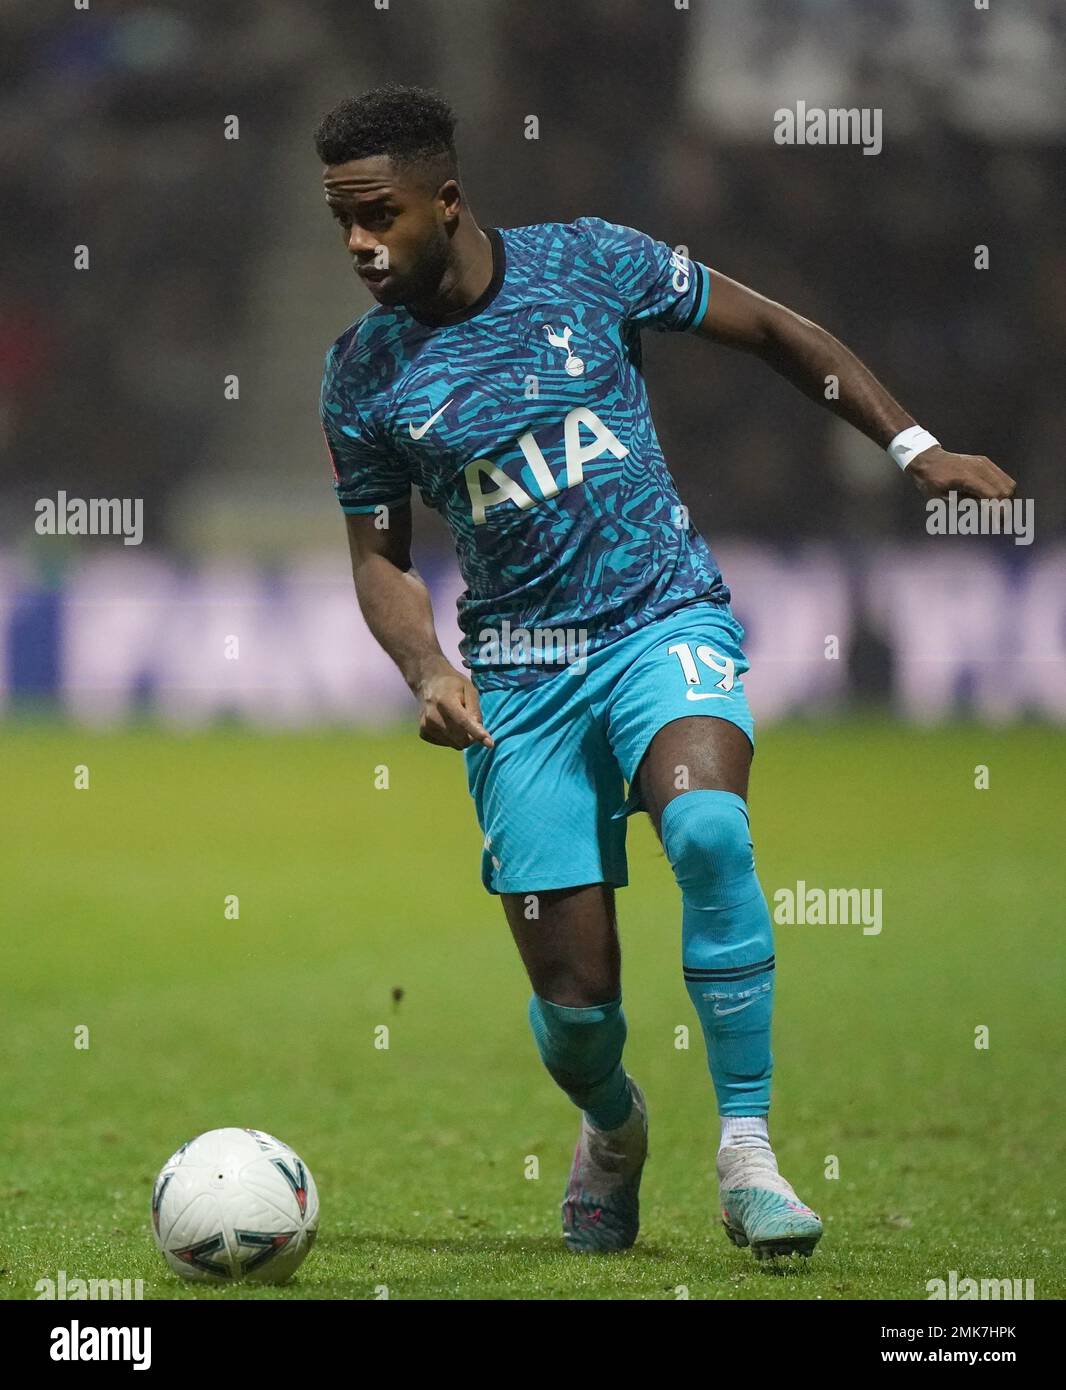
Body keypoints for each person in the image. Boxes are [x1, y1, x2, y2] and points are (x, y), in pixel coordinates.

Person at [314, 85, 1015, 1259]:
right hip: (521, 683)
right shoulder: (363, 375)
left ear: (445, 200)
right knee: (577, 1014)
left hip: (659, 617)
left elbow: (785, 334)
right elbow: (380, 557)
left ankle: (747, 1153)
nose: (356, 243)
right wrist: (427, 665)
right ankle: (614, 1127)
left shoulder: (592, 261)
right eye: (340, 220)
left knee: (708, 835)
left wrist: (916, 446)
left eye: (376, 214)